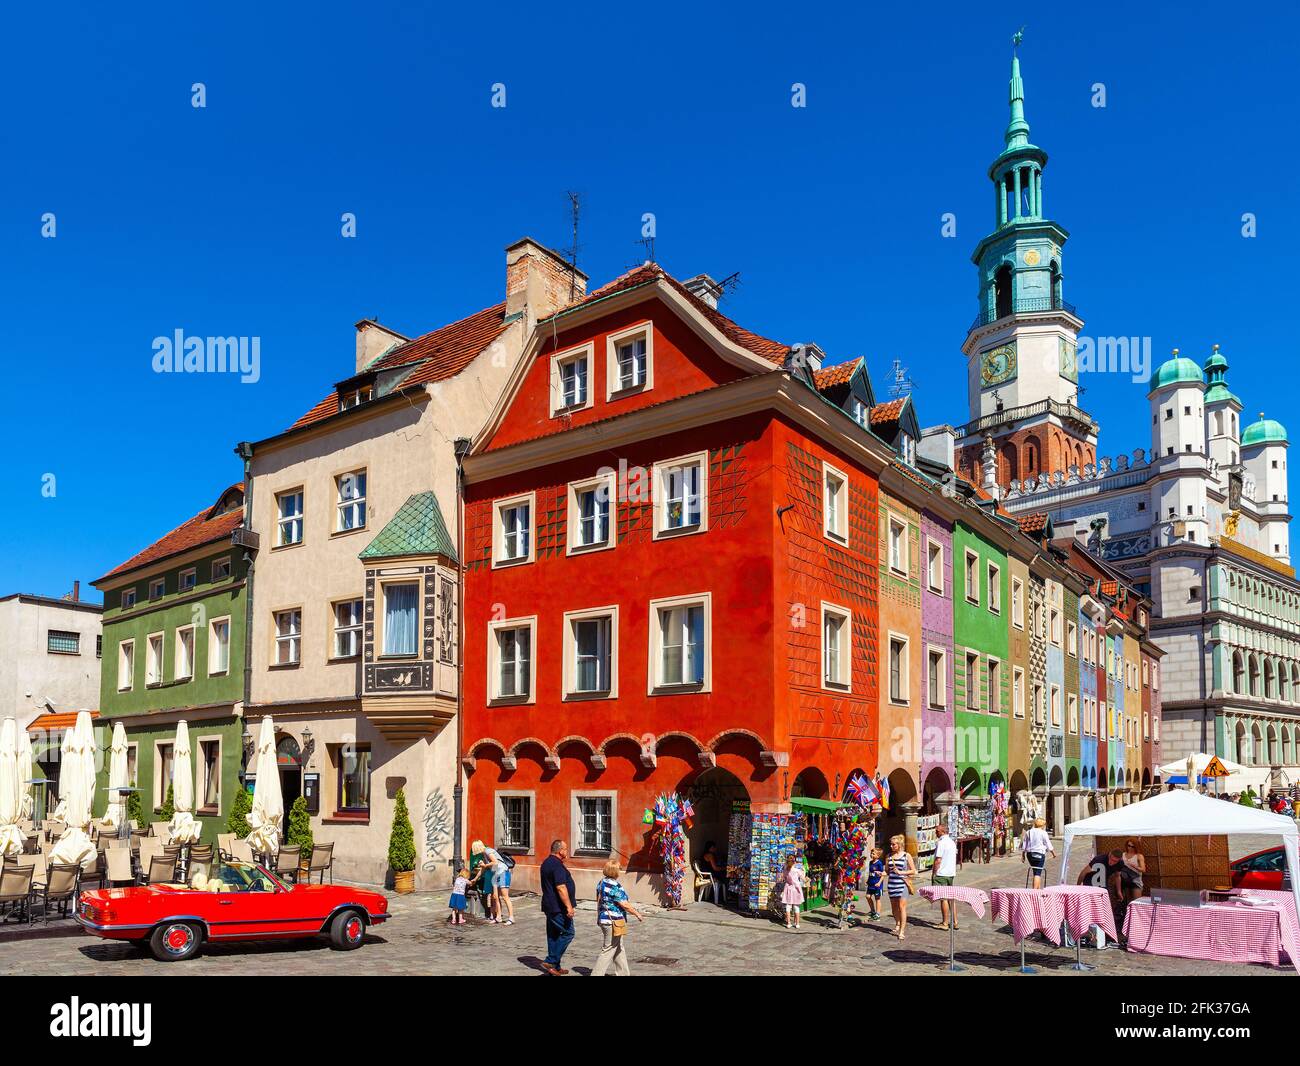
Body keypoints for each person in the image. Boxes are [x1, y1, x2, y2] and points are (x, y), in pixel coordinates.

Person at [591, 859, 643, 976]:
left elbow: (598, 901)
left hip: (604, 919)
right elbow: (624, 904)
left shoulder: (601, 883)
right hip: (613, 921)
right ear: (615, 871)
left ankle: (623, 973)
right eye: (619, 868)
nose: (621, 870)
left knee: (619, 947)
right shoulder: (615, 886)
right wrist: (637, 913)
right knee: (608, 949)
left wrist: (599, 917)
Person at [539, 839, 577, 975]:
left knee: (553, 935)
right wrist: (569, 907)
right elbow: (561, 887)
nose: (567, 852)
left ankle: (554, 967)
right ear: (560, 851)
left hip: (549, 905)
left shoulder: (546, 863)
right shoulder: (556, 865)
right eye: (566, 849)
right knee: (568, 932)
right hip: (558, 907)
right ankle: (551, 960)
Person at [885, 834, 917, 940]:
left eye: (893, 844)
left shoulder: (906, 855)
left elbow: (913, 870)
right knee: (894, 909)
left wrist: (901, 872)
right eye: (891, 844)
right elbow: (887, 871)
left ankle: (902, 931)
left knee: (902, 907)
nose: (891, 846)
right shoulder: (888, 856)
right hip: (891, 884)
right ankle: (897, 923)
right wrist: (881, 873)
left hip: (902, 884)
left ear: (899, 845)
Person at [931, 823, 959, 930]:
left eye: (937, 831)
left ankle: (945, 922)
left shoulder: (941, 843)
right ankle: (955, 921)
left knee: (943, 899)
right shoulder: (951, 842)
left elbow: (938, 859)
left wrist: (934, 872)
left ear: (943, 831)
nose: (936, 833)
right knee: (951, 898)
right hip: (950, 873)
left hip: (941, 873)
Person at [1020, 817, 1055, 890]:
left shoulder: (1029, 832)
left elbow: (1024, 844)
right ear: (1042, 825)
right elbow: (1048, 844)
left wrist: (1023, 855)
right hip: (1039, 854)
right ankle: (1035, 891)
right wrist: (1053, 853)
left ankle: (1038, 890)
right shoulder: (1043, 833)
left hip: (1030, 854)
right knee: (1038, 873)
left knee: (1035, 872)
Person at [468, 840, 496, 921]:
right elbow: (481, 867)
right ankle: (491, 914)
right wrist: (475, 878)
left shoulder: (488, 852)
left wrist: (485, 865)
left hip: (492, 875)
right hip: (487, 875)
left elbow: (495, 863)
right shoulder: (484, 853)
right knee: (488, 894)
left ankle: (494, 914)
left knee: (494, 896)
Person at [780, 853, 806, 930]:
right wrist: (804, 871)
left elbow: (783, 878)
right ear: (794, 862)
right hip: (796, 889)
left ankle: (788, 923)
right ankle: (797, 923)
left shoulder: (785, 870)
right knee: (796, 906)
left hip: (788, 888)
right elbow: (803, 879)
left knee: (788, 906)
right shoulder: (797, 870)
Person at [865, 848, 885, 920]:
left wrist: (879, 883)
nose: (871, 855)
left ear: (878, 856)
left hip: (877, 885)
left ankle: (878, 914)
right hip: (871, 884)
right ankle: (872, 911)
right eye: (871, 853)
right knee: (868, 896)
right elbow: (871, 873)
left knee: (877, 899)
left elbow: (883, 874)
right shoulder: (870, 862)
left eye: (873, 854)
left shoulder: (879, 863)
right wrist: (868, 880)